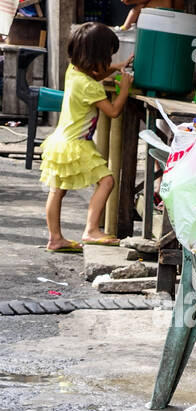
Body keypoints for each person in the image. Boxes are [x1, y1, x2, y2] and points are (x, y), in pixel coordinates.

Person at [39, 22, 133, 253]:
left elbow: (97, 72)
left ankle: (55, 238)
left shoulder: (73, 72)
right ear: (97, 56)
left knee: (57, 190)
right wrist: (124, 90)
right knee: (107, 181)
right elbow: (113, 112)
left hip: (59, 142)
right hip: (77, 144)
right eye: (109, 57)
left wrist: (118, 67)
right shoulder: (92, 87)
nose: (110, 62)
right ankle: (91, 229)